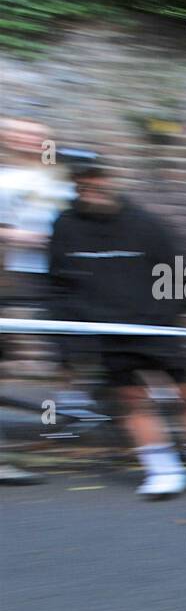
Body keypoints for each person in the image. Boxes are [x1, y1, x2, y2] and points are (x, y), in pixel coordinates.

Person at [47, 164, 186, 497]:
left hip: (158, 326)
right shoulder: (65, 227)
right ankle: (162, 469)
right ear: (75, 186)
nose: (91, 189)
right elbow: (60, 282)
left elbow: (182, 270)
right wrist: (76, 330)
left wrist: (171, 315)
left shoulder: (145, 223)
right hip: (107, 331)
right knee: (133, 400)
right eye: (83, 184)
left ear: (110, 183)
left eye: (97, 181)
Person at [0, 116, 73, 485]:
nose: (30, 141)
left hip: (69, 274)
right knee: (7, 352)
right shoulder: (4, 180)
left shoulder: (63, 177)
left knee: (72, 343)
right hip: (18, 275)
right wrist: (15, 235)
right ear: (8, 140)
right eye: (20, 135)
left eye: (36, 135)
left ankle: (70, 416)